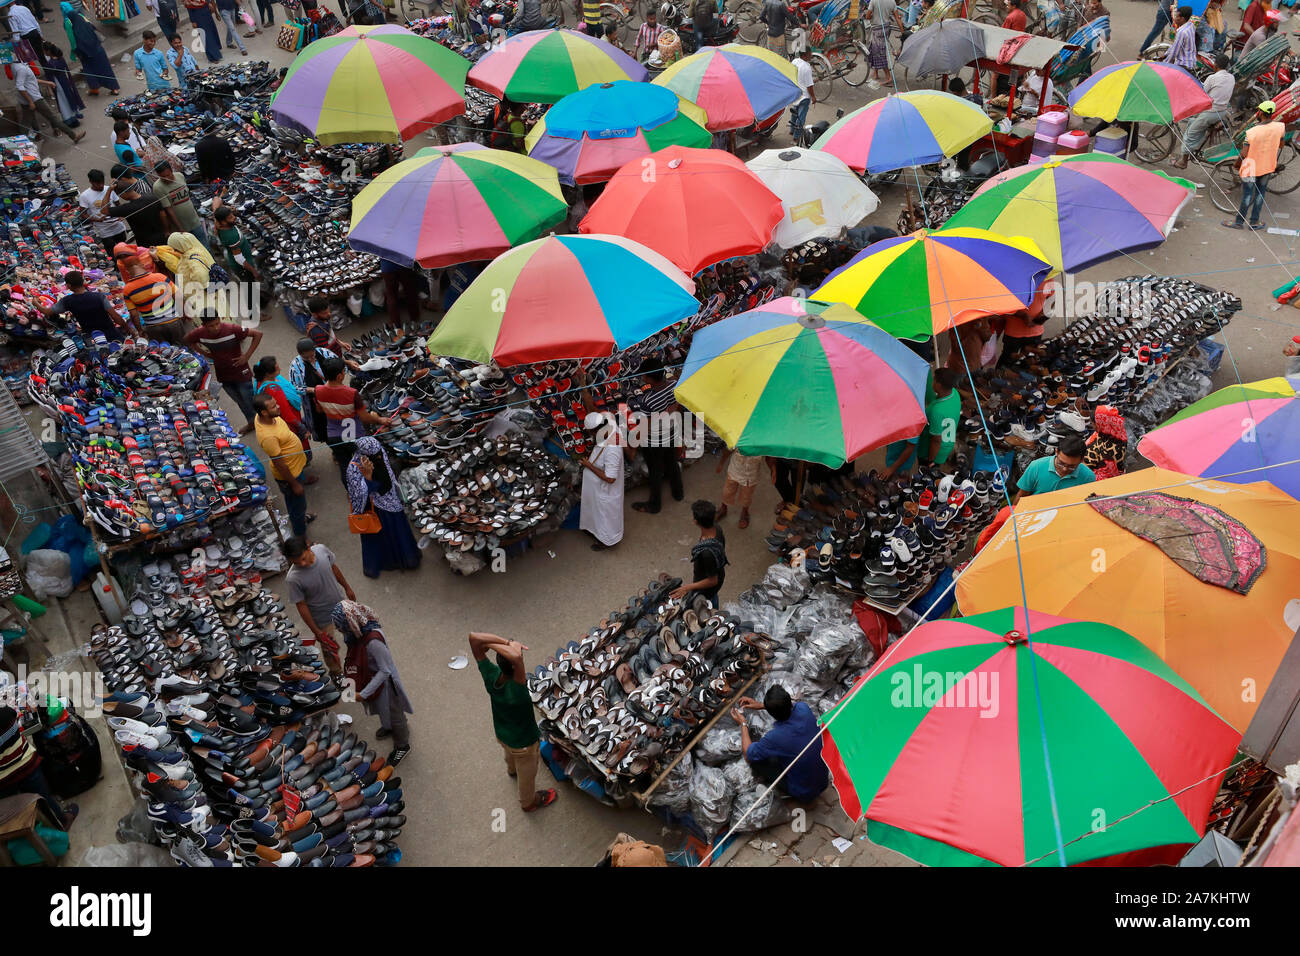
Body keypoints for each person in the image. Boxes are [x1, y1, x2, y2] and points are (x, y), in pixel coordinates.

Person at [469, 631, 555, 813]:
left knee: (510, 756)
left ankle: (511, 770)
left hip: (502, 733)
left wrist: (506, 643)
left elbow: (474, 638)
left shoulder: (491, 676)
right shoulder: (519, 691)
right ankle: (529, 802)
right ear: (517, 667)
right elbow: (515, 658)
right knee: (528, 774)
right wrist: (512, 648)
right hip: (523, 744)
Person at [333, 600, 412, 766]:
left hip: (388, 687)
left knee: (395, 714)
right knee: (386, 712)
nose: (338, 630)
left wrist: (363, 693)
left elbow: (385, 671)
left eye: (340, 626)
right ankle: (390, 726)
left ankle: (402, 745)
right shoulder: (359, 633)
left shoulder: (373, 641)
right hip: (375, 682)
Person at [732, 685, 828, 802]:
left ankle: (787, 793)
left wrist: (743, 724)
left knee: (756, 761)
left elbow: (748, 755)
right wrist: (762, 705)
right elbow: (792, 705)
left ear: (772, 714)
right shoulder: (804, 708)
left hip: (804, 792)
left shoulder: (775, 737)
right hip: (823, 781)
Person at [345, 437, 421, 578]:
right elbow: (358, 495)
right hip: (375, 510)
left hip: (390, 502)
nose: (379, 457)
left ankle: (405, 560)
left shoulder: (379, 453)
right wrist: (368, 478)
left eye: (379, 454)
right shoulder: (354, 468)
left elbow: (388, 478)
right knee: (382, 538)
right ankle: (389, 562)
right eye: (375, 456)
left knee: (398, 532)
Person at [283, 536, 352, 677]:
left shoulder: (321, 550)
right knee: (329, 649)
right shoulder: (293, 578)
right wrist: (316, 631)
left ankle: (357, 662)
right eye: (296, 562)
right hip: (321, 618)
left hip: (341, 605)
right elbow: (301, 606)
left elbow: (334, 568)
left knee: (353, 635)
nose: (301, 564)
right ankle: (336, 673)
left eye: (303, 558)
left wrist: (347, 588)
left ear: (308, 547)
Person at [0, 706, 78, 829]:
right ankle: (62, 821)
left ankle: (32, 826)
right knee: (43, 796)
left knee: (16, 803)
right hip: (25, 765)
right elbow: (12, 715)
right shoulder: (5, 715)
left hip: (3, 781)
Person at [184, 310, 263, 430]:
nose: (216, 328)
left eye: (217, 323)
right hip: (223, 375)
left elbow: (258, 334)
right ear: (204, 325)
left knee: (249, 400)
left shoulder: (232, 329)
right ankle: (252, 423)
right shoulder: (199, 333)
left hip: (241, 372)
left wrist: (246, 356)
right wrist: (205, 353)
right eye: (211, 326)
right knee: (240, 401)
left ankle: (262, 424)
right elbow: (188, 340)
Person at [316, 355, 389, 479]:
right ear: (340, 376)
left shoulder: (318, 389)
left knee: (345, 466)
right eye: (344, 371)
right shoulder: (351, 393)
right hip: (352, 434)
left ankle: (351, 493)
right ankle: (368, 488)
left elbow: (319, 410)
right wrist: (380, 419)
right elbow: (365, 417)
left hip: (333, 435)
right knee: (364, 462)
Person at [881, 367, 962, 477]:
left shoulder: (936, 411)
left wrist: (930, 460)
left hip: (934, 451)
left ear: (939, 385)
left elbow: (936, 440)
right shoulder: (955, 394)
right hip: (947, 444)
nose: (932, 382)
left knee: (927, 473)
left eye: (934, 380)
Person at [253, 393, 315, 536]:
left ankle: (300, 517)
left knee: (298, 504)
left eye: (276, 403)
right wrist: (294, 484)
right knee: (297, 506)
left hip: (296, 467)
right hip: (290, 475)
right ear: (264, 412)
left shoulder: (265, 417)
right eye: (274, 406)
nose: (278, 406)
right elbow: (280, 464)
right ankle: (301, 537)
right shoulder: (268, 436)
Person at [629, 359, 683, 514]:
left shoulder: (647, 400)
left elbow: (647, 424)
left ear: (649, 378)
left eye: (644, 376)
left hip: (655, 440)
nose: (643, 378)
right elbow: (677, 403)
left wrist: (635, 441)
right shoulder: (673, 384)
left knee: (655, 470)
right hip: (672, 432)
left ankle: (654, 505)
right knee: (672, 462)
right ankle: (678, 493)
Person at [1224, 100, 1284, 230]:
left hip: (1250, 168)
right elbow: (1281, 144)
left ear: (1261, 112)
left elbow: (1244, 153)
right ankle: (1254, 222)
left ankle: (1239, 222)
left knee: (1247, 195)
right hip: (1268, 166)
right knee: (1260, 194)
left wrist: (1237, 163)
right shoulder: (1280, 127)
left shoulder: (1252, 132)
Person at [38, 269, 135, 340]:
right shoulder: (99, 296)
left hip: (91, 336)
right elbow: (115, 316)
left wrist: (35, 303)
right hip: (110, 333)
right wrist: (127, 328)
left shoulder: (67, 301)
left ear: (68, 286)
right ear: (83, 282)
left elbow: (47, 312)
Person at [1175, 54, 1234, 167]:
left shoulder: (1212, 78)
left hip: (1211, 113)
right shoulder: (1231, 77)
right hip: (1222, 112)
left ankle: (1183, 161)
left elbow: (1202, 93)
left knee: (1190, 133)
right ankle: (1196, 147)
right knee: (1194, 122)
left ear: (1215, 65)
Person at [578, 411, 625, 550]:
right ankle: (595, 532)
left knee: (606, 519)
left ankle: (606, 542)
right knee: (597, 515)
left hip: (606, 491)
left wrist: (589, 466)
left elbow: (610, 478)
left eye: (592, 433)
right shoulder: (609, 425)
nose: (591, 436)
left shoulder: (613, 449)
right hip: (597, 490)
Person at [670, 500, 727, 606]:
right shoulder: (717, 529)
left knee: (707, 604)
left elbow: (712, 581)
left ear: (695, 521)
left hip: (708, 588)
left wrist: (687, 587)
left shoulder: (707, 553)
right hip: (718, 572)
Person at [11, 60, 84, 143]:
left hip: (27, 99)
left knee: (26, 123)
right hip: (34, 98)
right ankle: (74, 136)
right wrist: (30, 101)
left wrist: (47, 82)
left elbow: (31, 80)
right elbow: (20, 86)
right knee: (53, 117)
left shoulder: (16, 65)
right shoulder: (21, 69)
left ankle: (19, 143)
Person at [1012, 434, 1096, 501]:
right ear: (1056, 452)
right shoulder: (1036, 466)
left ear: (1081, 460)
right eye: (1061, 463)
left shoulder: (1088, 477)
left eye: (1072, 466)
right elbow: (1022, 496)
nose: (1064, 469)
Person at [123, 256, 187, 344]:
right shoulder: (160, 277)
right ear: (142, 265)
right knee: (184, 349)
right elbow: (178, 296)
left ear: (127, 271)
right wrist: (182, 314)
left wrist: (140, 330)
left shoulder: (127, 290)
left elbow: (134, 315)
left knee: (164, 353)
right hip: (173, 322)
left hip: (153, 328)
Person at [61, 3, 119, 95]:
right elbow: (92, 27)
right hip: (96, 45)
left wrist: (73, 52)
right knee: (105, 66)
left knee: (89, 68)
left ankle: (94, 88)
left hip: (84, 50)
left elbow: (72, 39)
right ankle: (114, 88)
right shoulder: (80, 15)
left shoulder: (67, 21)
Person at [253, 355, 309, 451]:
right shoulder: (274, 390)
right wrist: (300, 426)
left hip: (287, 419)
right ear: (268, 374)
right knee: (298, 446)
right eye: (277, 368)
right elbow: (286, 413)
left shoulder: (262, 379)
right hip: (290, 423)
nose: (280, 368)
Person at [156, 231, 214, 318]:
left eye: (175, 248)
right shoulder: (195, 250)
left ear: (181, 246)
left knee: (211, 320)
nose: (174, 251)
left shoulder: (190, 260)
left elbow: (201, 276)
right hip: (207, 296)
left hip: (202, 298)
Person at [290, 337, 337, 445]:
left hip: (334, 393)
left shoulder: (324, 353)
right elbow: (294, 387)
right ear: (300, 354)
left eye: (312, 355)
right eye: (306, 358)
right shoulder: (296, 366)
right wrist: (312, 390)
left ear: (315, 349)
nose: (311, 359)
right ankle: (333, 447)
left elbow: (339, 366)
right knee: (323, 425)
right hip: (315, 402)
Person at [151, 162, 207, 251]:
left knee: (204, 246)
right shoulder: (158, 187)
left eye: (168, 175)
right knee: (192, 251)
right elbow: (168, 210)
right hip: (181, 226)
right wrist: (180, 228)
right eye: (163, 177)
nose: (166, 178)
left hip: (194, 219)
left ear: (171, 170)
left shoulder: (180, 176)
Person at [105, 175, 169, 247]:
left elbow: (104, 211)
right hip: (162, 237)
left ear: (123, 194)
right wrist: (166, 231)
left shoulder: (128, 208)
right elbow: (163, 214)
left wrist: (109, 190)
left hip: (145, 244)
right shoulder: (151, 197)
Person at [212, 201, 261, 287]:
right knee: (250, 288)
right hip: (242, 267)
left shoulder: (220, 225)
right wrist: (254, 272)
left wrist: (216, 217)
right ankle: (254, 300)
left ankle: (256, 298)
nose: (234, 218)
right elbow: (239, 259)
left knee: (250, 287)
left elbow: (217, 199)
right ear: (223, 222)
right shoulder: (231, 236)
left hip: (239, 259)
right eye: (230, 217)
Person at [78, 170, 128, 255]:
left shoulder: (110, 189)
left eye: (102, 182)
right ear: (91, 182)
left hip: (118, 227)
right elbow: (83, 214)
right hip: (104, 230)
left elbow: (118, 204)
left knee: (125, 250)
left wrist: (121, 215)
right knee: (112, 253)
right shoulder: (84, 196)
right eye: (97, 184)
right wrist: (97, 220)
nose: (101, 186)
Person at [716, 448, 763, 529]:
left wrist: (773, 469)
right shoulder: (737, 437)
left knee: (747, 496)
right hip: (734, 470)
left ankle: (744, 513)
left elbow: (770, 456)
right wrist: (721, 463)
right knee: (727, 492)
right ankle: (723, 509)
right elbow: (728, 449)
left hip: (751, 475)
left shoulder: (763, 441)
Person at [43, 43, 84, 126]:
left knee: (63, 102)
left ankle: (69, 119)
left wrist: (50, 89)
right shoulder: (60, 59)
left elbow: (49, 76)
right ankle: (74, 117)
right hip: (66, 81)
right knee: (70, 99)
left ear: (48, 51)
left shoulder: (50, 63)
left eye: (44, 51)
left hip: (58, 84)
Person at [865, 0, 905, 84]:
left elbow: (867, 17)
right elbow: (897, 18)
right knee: (874, 49)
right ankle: (876, 73)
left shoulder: (873, 1)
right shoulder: (892, 2)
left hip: (877, 29)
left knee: (879, 53)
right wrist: (903, 32)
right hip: (886, 28)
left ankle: (888, 77)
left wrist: (873, 15)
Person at [377, 259, 422, 326]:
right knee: (410, 291)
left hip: (387, 267)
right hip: (404, 264)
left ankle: (396, 323)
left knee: (391, 294)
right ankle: (414, 317)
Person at [6, 2, 47, 68]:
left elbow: (15, 31)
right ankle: (49, 70)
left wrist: (17, 44)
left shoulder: (10, 14)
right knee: (41, 54)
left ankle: (42, 72)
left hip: (26, 36)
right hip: (35, 32)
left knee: (27, 57)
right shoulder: (24, 8)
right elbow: (34, 21)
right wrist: (40, 34)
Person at [789, 47, 816, 134]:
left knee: (794, 113)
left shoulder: (795, 61)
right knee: (801, 118)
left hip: (795, 93)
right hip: (804, 96)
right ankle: (796, 137)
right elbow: (809, 86)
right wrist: (813, 97)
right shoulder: (806, 68)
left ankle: (791, 130)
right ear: (804, 56)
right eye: (809, 54)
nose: (811, 55)